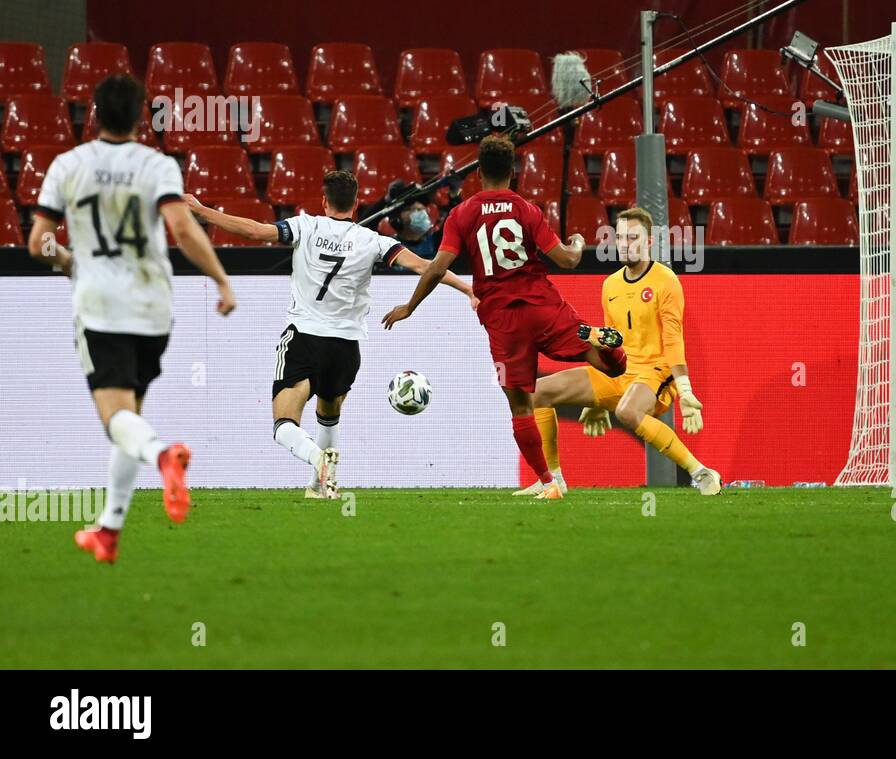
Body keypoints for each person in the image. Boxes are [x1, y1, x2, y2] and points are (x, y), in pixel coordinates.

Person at [27, 73, 237, 563]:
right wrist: (223, 280)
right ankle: (110, 529)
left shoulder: (68, 164)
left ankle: (164, 456)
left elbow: (38, 241)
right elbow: (182, 227)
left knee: (116, 419)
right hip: (153, 306)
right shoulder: (157, 164)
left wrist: (65, 260)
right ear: (142, 114)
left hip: (100, 304)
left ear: (94, 113)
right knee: (131, 415)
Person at [186, 171, 476, 498]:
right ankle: (319, 486)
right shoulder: (375, 241)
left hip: (304, 339)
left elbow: (254, 230)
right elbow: (427, 266)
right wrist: (466, 288)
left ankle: (317, 459)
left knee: (284, 424)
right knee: (328, 416)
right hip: (346, 348)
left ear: (324, 201)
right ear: (356, 204)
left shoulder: (304, 225)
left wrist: (201, 211)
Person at [382, 134, 627, 500]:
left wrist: (410, 307)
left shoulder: (462, 214)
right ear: (512, 172)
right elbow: (566, 260)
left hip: (503, 321)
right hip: (543, 306)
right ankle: (600, 342)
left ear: (478, 173)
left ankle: (548, 483)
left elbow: (436, 268)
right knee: (613, 369)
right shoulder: (527, 209)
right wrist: (576, 241)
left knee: (520, 405)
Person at [517, 206, 720, 496]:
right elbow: (613, 344)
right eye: (622, 238)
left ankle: (700, 472)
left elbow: (673, 339)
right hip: (622, 372)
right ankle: (553, 480)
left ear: (649, 241)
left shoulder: (666, 281)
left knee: (627, 410)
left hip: (655, 372)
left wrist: (685, 390)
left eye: (634, 238)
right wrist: (596, 401)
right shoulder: (610, 284)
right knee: (536, 393)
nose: (626, 244)